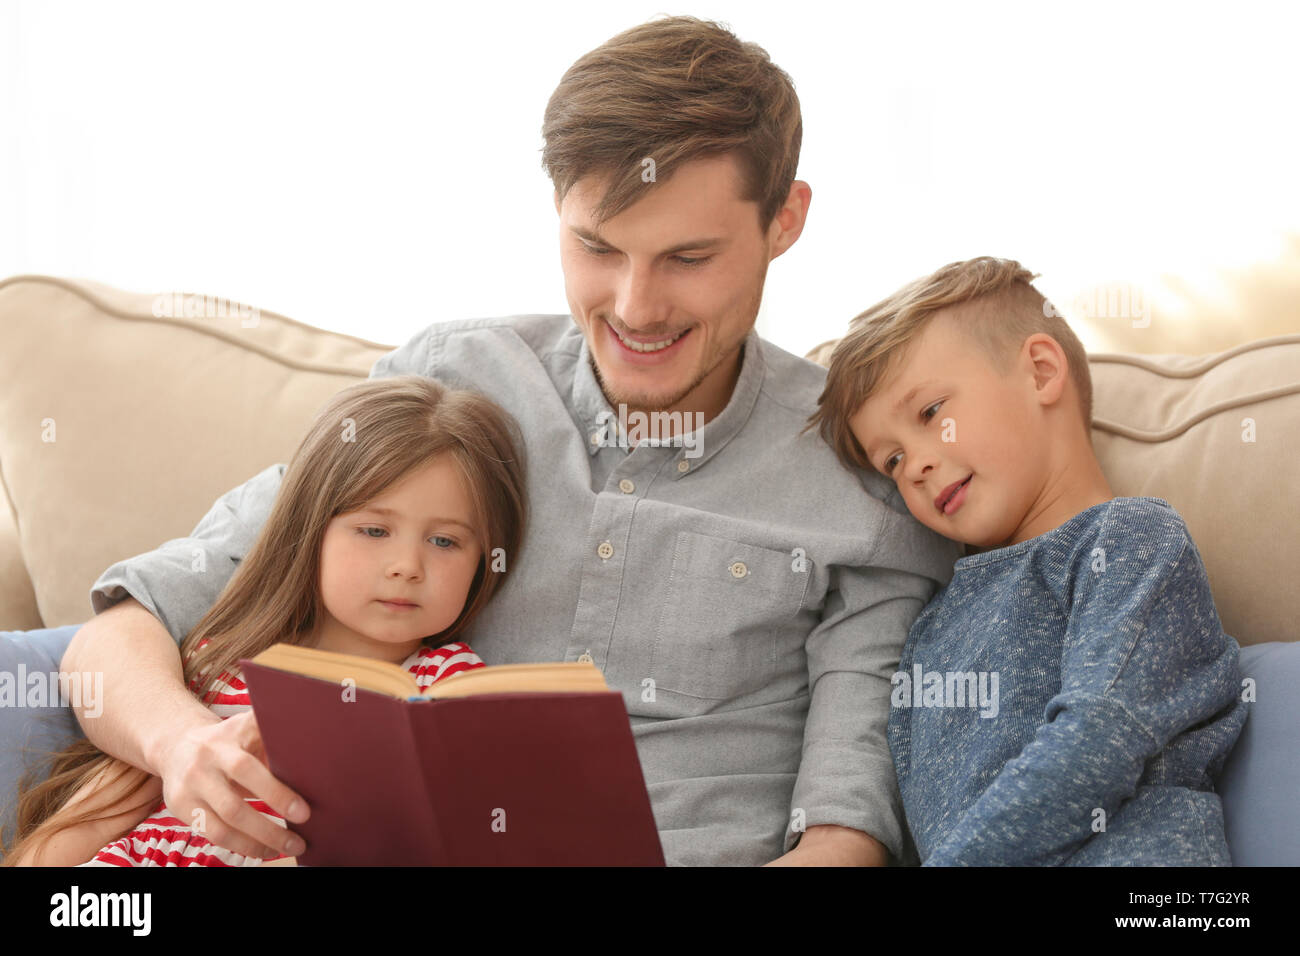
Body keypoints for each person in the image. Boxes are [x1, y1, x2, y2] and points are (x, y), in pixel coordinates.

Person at [1, 16, 961, 867]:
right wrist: (180, 748)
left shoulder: (857, 464)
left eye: (688, 258)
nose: (636, 308)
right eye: (598, 248)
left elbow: (844, 831)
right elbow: (145, 614)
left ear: (785, 220)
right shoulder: (456, 384)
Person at [808, 256, 1248, 865]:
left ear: (1041, 372)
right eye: (890, 461)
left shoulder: (1130, 540)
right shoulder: (933, 625)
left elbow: (1099, 736)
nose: (915, 466)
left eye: (932, 413)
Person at [0, 376, 526, 865]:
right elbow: (110, 800)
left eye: (444, 542)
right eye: (373, 531)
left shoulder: (450, 690)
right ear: (310, 526)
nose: (407, 567)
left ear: (484, 561)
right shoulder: (226, 656)